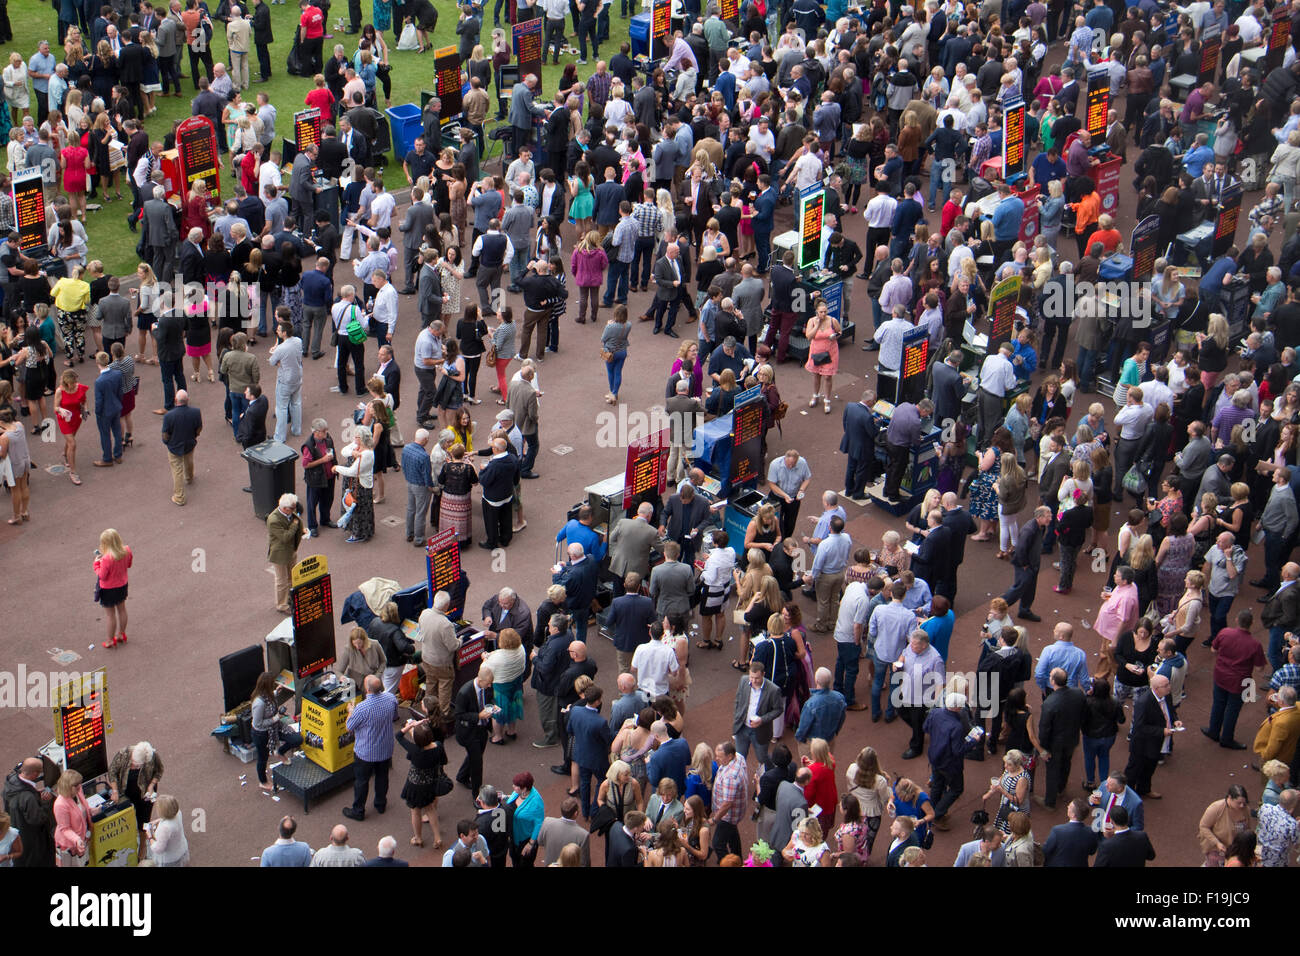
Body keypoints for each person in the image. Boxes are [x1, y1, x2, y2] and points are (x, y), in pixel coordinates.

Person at [1203, 609, 1268, 749]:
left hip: (1220, 675)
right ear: (1252, 623)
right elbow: (1259, 668)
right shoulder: (1255, 644)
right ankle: (1226, 738)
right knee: (1233, 709)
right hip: (1241, 681)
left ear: (1237, 620)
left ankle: (1213, 730)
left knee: (1218, 703)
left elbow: (1214, 650)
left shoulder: (1225, 632)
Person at [342, 675, 399, 821]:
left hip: (365, 752)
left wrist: (350, 711)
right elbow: (394, 716)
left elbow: (349, 727)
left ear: (367, 689)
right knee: (382, 777)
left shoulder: (361, 708)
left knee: (361, 781)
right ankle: (380, 804)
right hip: (385, 748)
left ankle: (358, 810)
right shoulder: (391, 698)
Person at [1125, 674, 1181, 798]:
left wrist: (1175, 720)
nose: (1169, 687)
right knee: (1134, 769)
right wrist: (1161, 731)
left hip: (1157, 742)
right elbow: (1140, 726)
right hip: (1142, 744)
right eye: (1165, 686)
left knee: (1150, 767)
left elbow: (1171, 711)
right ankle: (1128, 795)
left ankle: (1144, 789)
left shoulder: (1167, 696)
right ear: (1156, 688)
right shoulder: (1143, 702)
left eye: (1168, 684)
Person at [1038, 667, 1087, 809]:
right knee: (1066, 763)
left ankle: (1049, 801)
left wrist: (1043, 748)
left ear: (1052, 681)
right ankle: (1061, 788)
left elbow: (1044, 729)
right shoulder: (1078, 694)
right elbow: (1084, 712)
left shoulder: (1049, 703)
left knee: (1052, 770)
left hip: (1055, 743)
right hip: (1071, 738)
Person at [159, 388, 202, 506]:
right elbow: (199, 428)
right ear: (187, 400)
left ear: (175, 400)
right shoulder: (196, 412)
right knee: (189, 460)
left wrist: (167, 443)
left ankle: (179, 496)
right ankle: (189, 477)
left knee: (177, 470)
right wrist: (194, 436)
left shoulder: (169, 416)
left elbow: (165, 434)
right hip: (190, 443)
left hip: (174, 446)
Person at [266, 493, 303, 615]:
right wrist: (294, 526)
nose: (294, 510)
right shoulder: (273, 520)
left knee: (292, 577)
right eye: (292, 508)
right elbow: (285, 537)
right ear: (284, 508)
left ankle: (290, 598)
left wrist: (301, 531)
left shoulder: (288, 514)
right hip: (280, 555)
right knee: (282, 581)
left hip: (291, 551)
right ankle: (282, 605)